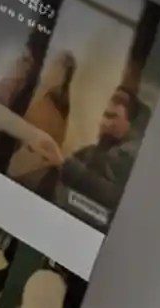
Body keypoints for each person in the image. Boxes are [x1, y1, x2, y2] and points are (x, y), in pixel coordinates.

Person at [45, 86, 145, 219]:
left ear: (129, 123)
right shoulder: (92, 151)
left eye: (112, 117)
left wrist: (66, 165)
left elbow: (111, 195)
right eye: (104, 115)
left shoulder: (129, 155)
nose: (104, 122)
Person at [8, 50, 77, 180]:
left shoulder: (54, 106)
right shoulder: (39, 91)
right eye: (52, 64)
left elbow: (40, 145)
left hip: (28, 166)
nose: (50, 68)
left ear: (64, 75)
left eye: (56, 66)